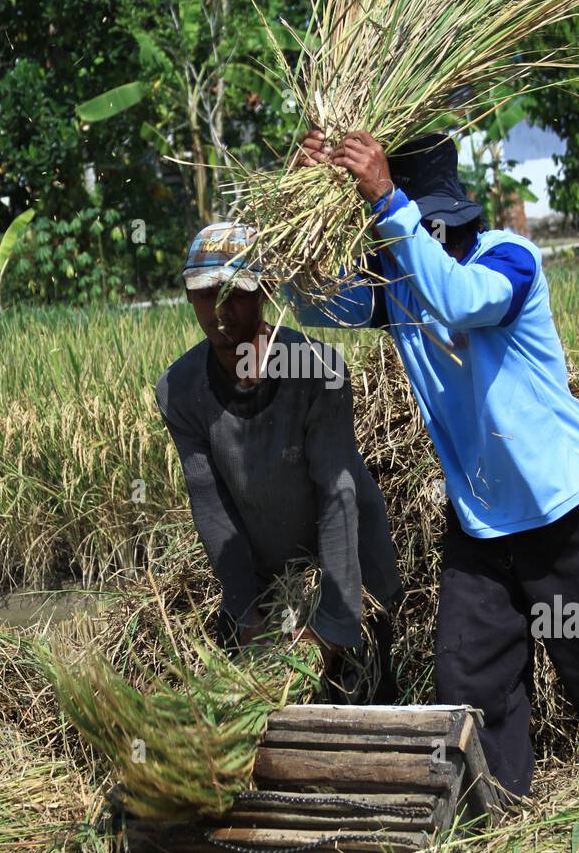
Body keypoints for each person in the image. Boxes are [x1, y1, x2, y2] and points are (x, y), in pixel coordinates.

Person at [288, 128, 579, 795]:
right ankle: (495, 820)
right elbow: (308, 300)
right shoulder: (400, 290)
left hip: (565, 514)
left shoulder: (510, 260)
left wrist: (387, 200)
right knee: (471, 685)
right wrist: (302, 198)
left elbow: (461, 301)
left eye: (433, 228)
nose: (429, 240)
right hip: (481, 526)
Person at [155, 220, 403, 703]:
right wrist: (248, 613)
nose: (219, 310)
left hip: (352, 566)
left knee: (371, 709)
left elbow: (338, 497)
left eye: (235, 293)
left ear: (266, 291)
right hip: (278, 582)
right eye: (204, 294)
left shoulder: (318, 371)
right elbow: (212, 506)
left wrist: (331, 624)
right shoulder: (181, 390)